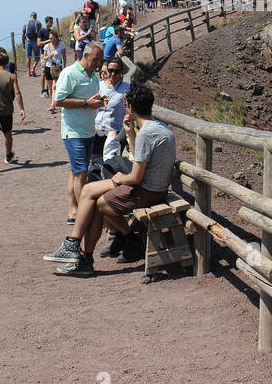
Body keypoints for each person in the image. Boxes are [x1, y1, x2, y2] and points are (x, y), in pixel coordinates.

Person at [44, 82, 177, 276]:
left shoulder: (147, 134)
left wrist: (121, 177)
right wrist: (130, 134)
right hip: (154, 186)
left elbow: (135, 176)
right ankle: (75, 248)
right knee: (89, 191)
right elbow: (141, 159)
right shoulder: (159, 127)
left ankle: (81, 254)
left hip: (147, 190)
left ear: (130, 108)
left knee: (96, 204)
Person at [51, 43, 105, 227]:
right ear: (86, 55)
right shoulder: (69, 72)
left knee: (76, 171)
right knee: (82, 172)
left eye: (100, 60)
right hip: (73, 131)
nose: (98, 63)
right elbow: (58, 100)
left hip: (89, 130)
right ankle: (84, 213)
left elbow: (90, 99)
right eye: (96, 59)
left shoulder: (92, 76)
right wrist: (85, 104)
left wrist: (98, 102)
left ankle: (72, 211)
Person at [92, 57, 130, 163]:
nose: (113, 74)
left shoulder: (127, 88)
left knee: (111, 165)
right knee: (94, 163)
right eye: (110, 70)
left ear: (121, 72)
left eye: (116, 71)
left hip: (114, 134)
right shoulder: (97, 85)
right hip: (96, 131)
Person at [43, 35, 67, 111]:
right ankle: (52, 102)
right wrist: (49, 56)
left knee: (54, 86)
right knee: (50, 88)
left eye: (52, 38)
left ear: (56, 38)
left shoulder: (61, 45)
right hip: (48, 67)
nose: (51, 40)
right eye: (50, 38)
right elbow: (44, 58)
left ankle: (52, 104)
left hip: (57, 67)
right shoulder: (46, 46)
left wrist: (64, 66)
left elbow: (64, 56)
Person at [23, 11, 43, 77]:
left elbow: (23, 33)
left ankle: (28, 72)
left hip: (28, 41)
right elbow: (40, 32)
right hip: (35, 40)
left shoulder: (26, 23)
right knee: (37, 56)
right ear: (36, 16)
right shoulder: (38, 22)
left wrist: (23, 42)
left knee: (28, 57)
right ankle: (33, 68)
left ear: (30, 16)